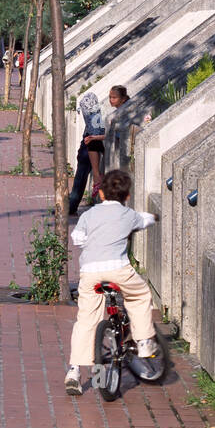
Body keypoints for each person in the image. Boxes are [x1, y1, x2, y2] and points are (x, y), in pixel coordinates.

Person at [64, 169, 160, 396]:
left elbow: (77, 238)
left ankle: (75, 371)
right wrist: (155, 218)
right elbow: (144, 220)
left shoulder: (89, 215)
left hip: (90, 273)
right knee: (139, 295)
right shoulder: (128, 215)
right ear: (126, 197)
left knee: (86, 319)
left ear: (102, 195)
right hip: (118, 269)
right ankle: (144, 341)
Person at [69, 85, 129, 215]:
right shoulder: (109, 110)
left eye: (114, 97)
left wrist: (95, 137)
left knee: (83, 169)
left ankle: (73, 203)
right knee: (83, 167)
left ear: (123, 99)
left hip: (95, 141)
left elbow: (110, 133)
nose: (111, 100)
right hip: (93, 141)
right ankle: (72, 203)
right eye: (110, 97)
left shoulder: (121, 112)